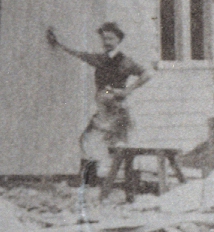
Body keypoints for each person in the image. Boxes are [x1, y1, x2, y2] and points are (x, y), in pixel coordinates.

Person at [46, 22, 152, 189]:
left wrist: (126, 90)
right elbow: (79, 54)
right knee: (91, 141)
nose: (107, 42)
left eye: (110, 38)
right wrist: (59, 42)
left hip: (117, 109)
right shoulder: (101, 59)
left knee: (118, 144)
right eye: (104, 38)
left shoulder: (125, 61)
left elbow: (146, 74)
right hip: (105, 107)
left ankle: (128, 184)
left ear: (119, 40)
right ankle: (92, 181)